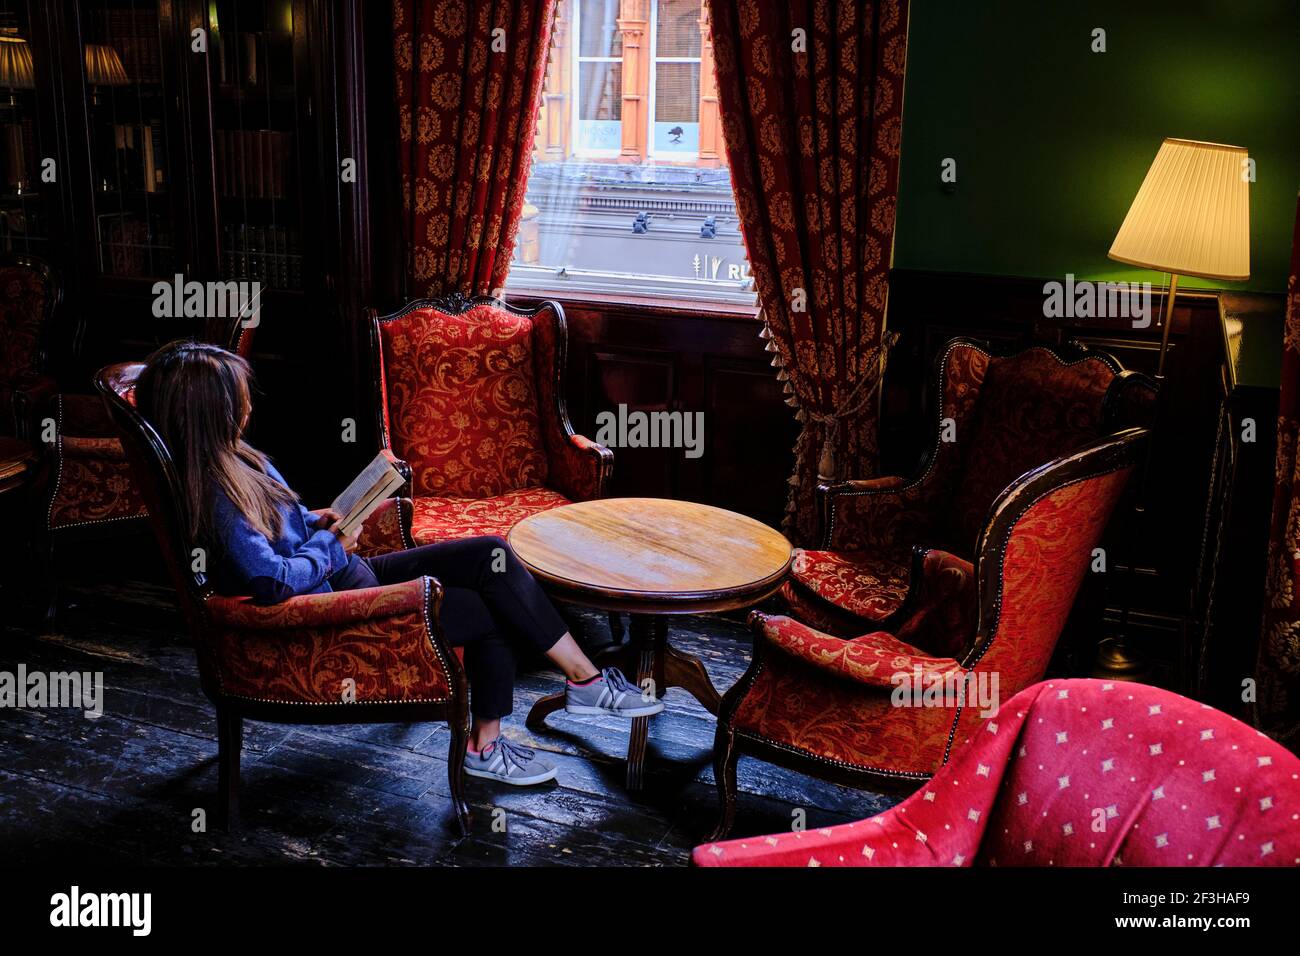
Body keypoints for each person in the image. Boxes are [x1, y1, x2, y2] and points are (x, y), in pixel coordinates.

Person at [134, 340, 662, 786]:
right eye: (238, 402)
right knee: (489, 609)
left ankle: (582, 684)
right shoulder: (215, 492)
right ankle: (499, 740)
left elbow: (283, 532)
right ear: (209, 414)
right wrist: (333, 546)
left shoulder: (238, 459)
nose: (248, 409)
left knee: (491, 556)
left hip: (345, 573)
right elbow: (270, 581)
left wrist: (323, 521)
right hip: (337, 605)